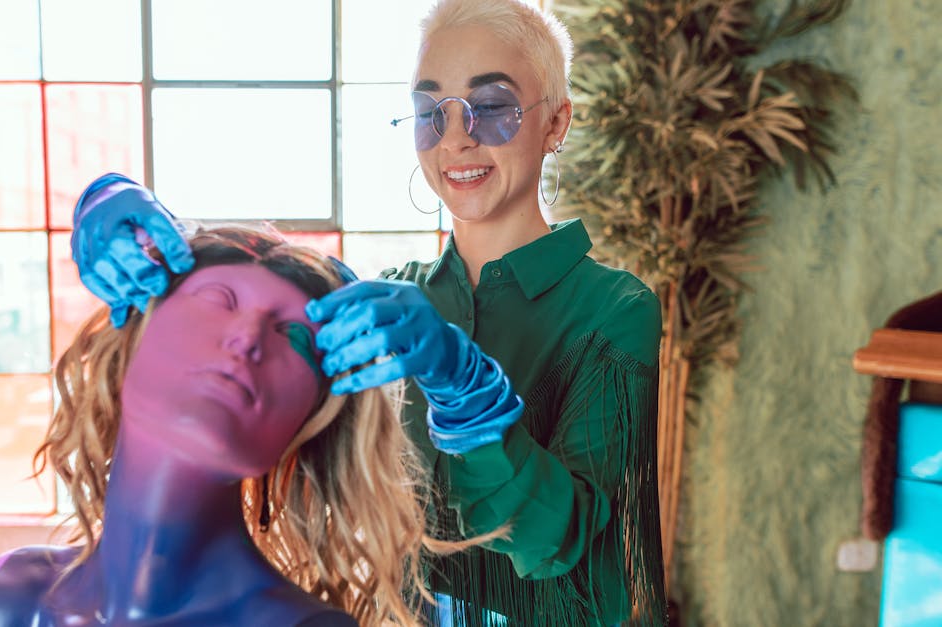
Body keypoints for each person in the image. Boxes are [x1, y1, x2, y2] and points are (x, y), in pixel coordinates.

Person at [68, 0, 668, 623]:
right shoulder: (392, 304)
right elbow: (254, 352)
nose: (457, 135)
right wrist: (112, 205)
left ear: (556, 124)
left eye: (491, 106)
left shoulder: (616, 311)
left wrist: (463, 388)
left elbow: (557, 542)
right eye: (430, 111)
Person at [0, 223, 490, 626]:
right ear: (130, 340)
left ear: (307, 421)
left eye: (293, 337)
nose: (247, 338)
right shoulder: (16, 593)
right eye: (218, 301)